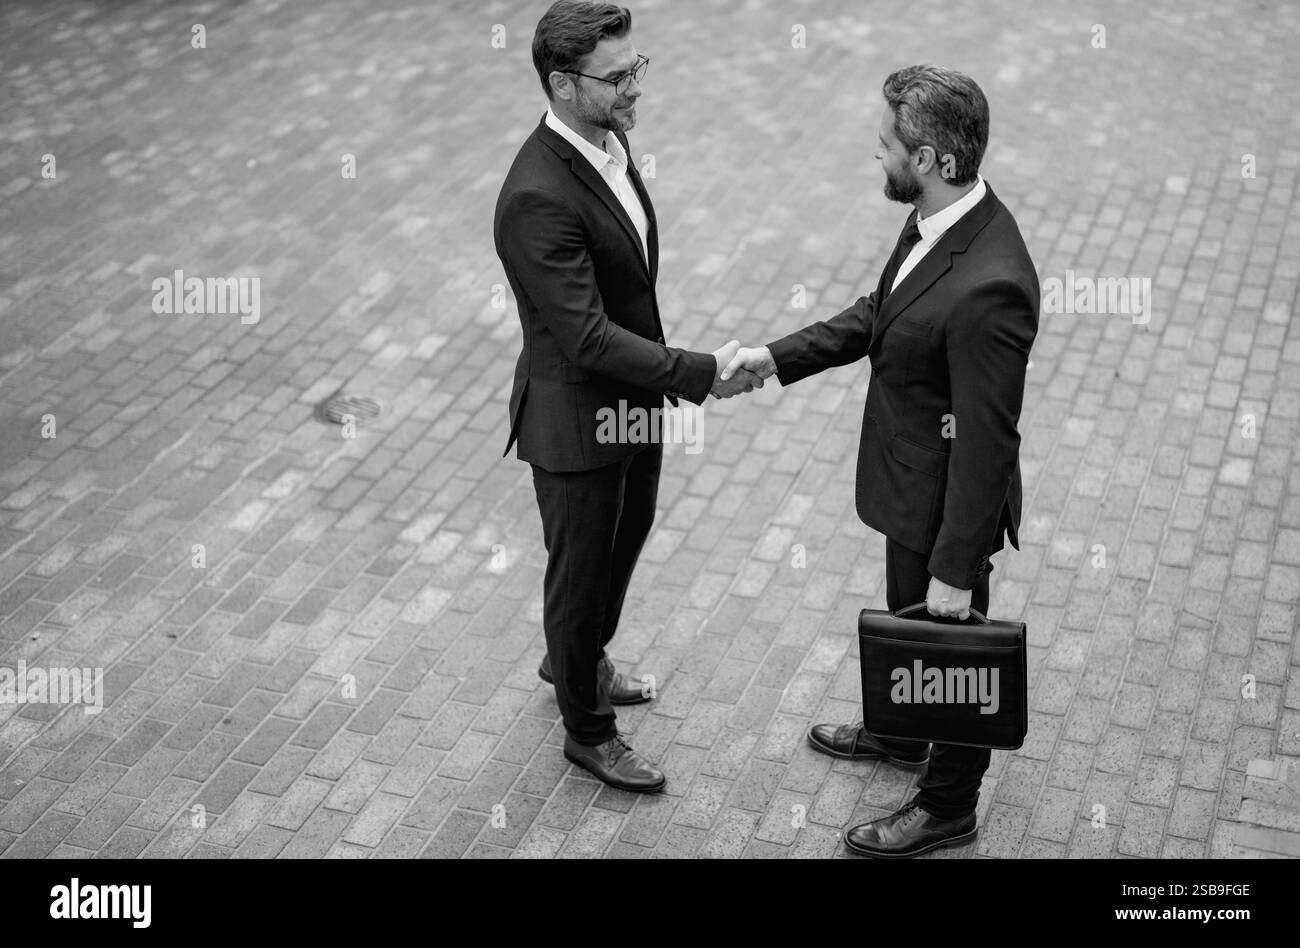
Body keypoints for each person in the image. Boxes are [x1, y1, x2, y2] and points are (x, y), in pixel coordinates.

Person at [723, 65, 1039, 856]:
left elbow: (989, 437)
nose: (878, 153)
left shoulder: (990, 285)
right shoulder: (939, 220)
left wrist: (958, 568)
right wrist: (774, 357)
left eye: (888, 144)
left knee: (951, 646)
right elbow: (880, 312)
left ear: (930, 158)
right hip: (909, 483)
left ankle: (947, 806)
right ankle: (902, 735)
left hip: (946, 504)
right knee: (909, 624)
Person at [493, 0, 760, 794]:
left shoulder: (608, 140)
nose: (635, 87)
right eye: (618, 77)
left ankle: (576, 660)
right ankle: (588, 729)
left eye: (635, 67)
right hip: (577, 420)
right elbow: (584, 337)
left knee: (627, 538)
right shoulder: (535, 195)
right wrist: (698, 371)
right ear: (562, 84)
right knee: (579, 575)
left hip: (633, 404)